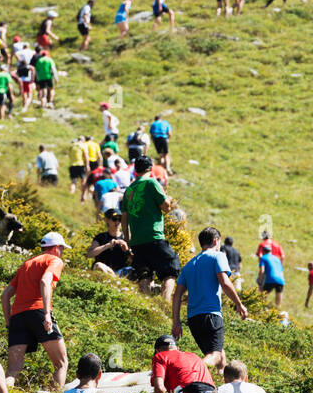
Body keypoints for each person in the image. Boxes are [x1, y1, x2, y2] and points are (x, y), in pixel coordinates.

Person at [172, 225, 248, 367]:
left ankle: (223, 380)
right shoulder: (218, 256)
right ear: (216, 240)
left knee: (218, 353)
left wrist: (176, 322)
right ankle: (192, 371)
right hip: (211, 315)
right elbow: (224, 282)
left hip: (193, 319)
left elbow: (177, 295)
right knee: (216, 354)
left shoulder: (189, 265)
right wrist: (239, 304)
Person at [2, 232, 70, 389]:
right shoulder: (55, 260)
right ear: (57, 248)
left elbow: (5, 295)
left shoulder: (26, 264)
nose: (62, 253)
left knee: (12, 370)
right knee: (61, 363)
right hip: (38, 311)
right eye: (62, 249)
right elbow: (45, 281)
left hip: (18, 316)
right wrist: (47, 314)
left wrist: (9, 324)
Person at [120, 156, 181, 302]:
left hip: (136, 240)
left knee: (144, 274)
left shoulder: (128, 190)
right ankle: (165, 304)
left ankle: (147, 307)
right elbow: (166, 208)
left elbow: (124, 219)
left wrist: (128, 242)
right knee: (170, 269)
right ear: (150, 168)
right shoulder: (151, 183)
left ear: (136, 170)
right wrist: (167, 198)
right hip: (154, 236)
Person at [257, 242, 285, 310]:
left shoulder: (263, 258)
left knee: (262, 295)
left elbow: (262, 271)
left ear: (263, 251)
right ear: (270, 251)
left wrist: (260, 282)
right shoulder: (277, 259)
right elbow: (281, 270)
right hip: (280, 279)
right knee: (279, 294)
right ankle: (278, 309)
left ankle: (260, 308)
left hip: (271, 278)